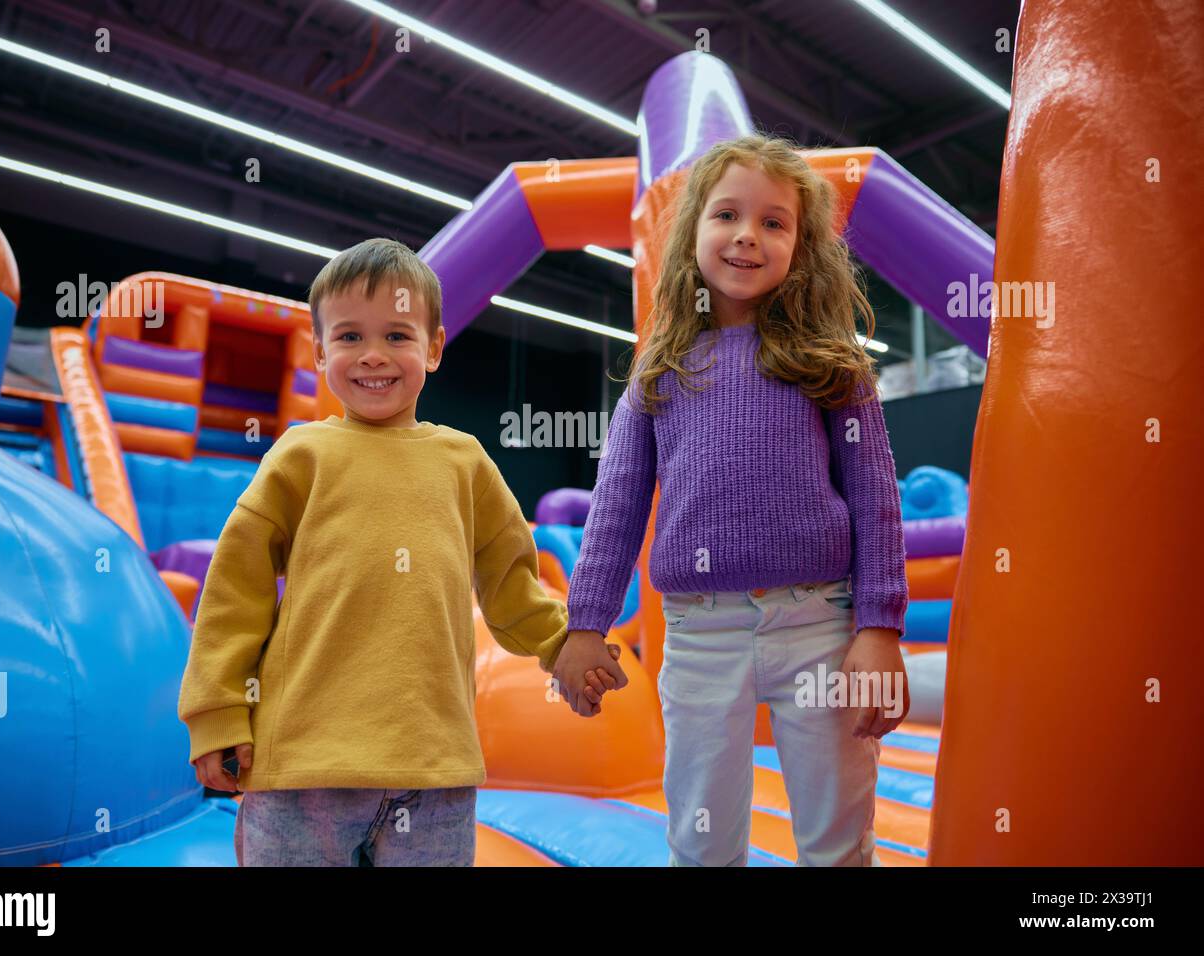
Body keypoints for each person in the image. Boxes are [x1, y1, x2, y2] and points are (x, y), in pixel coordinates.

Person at [177, 238, 625, 866]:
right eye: (350, 337)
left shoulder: (463, 463)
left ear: (433, 347)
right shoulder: (300, 457)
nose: (373, 355)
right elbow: (234, 592)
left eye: (396, 335)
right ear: (320, 351)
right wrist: (219, 712)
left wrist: (564, 644)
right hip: (304, 765)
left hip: (433, 770)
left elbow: (512, 582)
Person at [566, 134, 910, 866]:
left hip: (819, 622)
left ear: (801, 248)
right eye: (727, 215)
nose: (747, 235)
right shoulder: (658, 375)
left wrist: (879, 627)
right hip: (701, 632)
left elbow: (876, 499)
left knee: (838, 834)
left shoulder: (831, 366)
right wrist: (586, 624)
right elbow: (616, 508)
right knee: (701, 837)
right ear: (692, 233)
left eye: (773, 222)